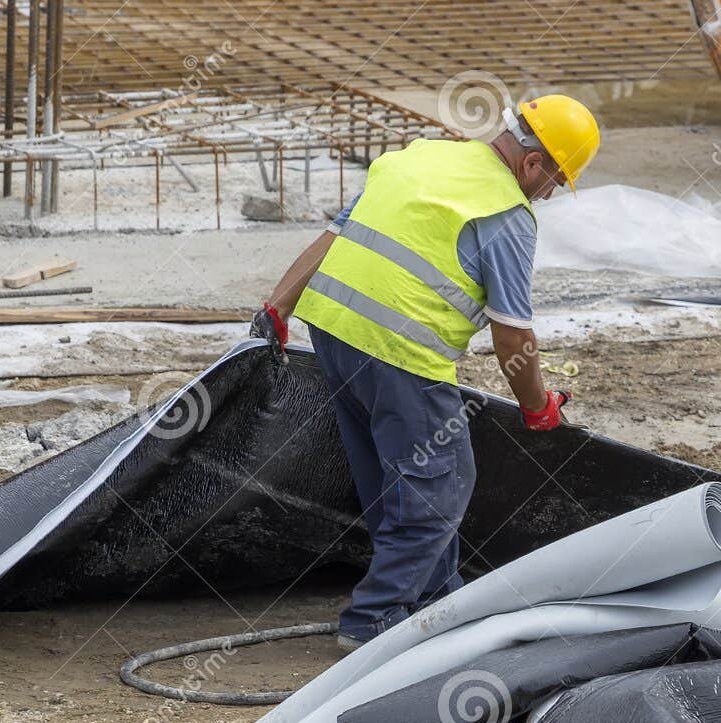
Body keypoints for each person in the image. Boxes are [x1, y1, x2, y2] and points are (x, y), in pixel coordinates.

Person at [251, 95, 600, 650]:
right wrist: (538, 409)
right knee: (441, 488)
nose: (551, 193)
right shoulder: (506, 214)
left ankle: (440, 605)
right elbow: (512, 335)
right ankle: (374, 620)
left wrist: (279, 306)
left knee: (391, 479)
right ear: (533, 164)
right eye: (556, 180)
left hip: (334, 332)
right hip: (400, 353)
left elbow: (335, 236)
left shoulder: (419, 158)